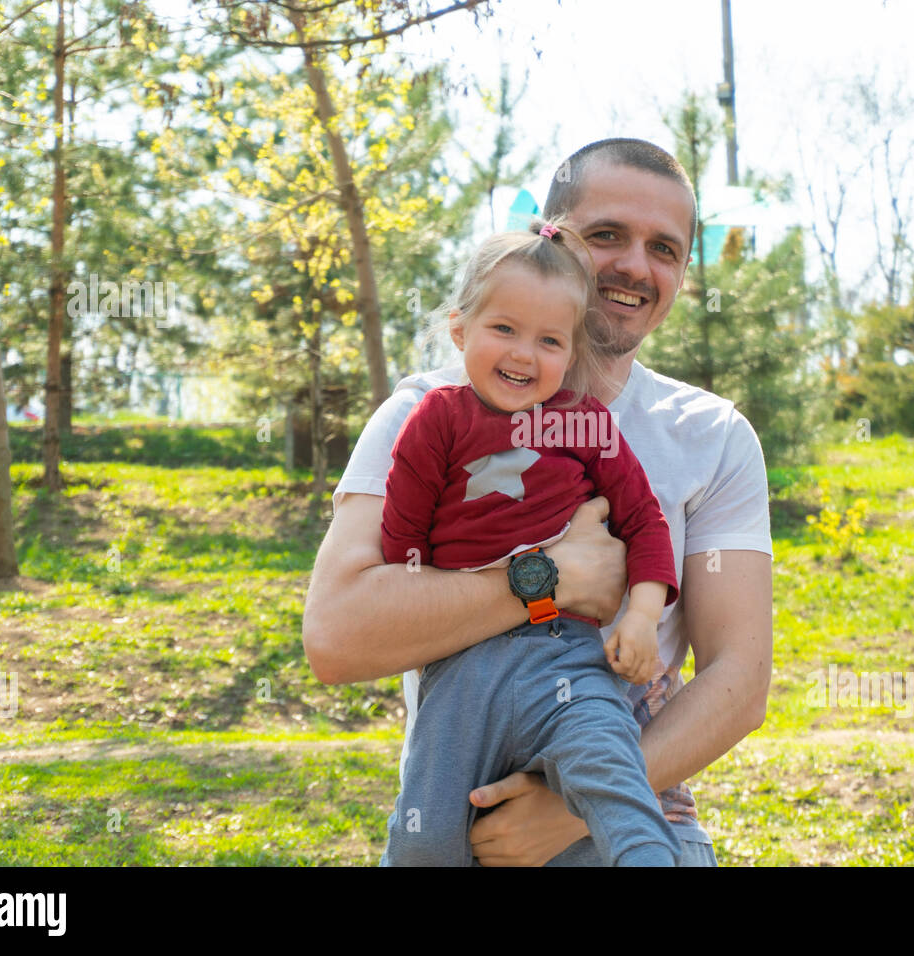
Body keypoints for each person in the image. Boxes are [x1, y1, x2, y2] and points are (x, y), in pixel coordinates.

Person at [304, 138, 774, 867]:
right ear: (549, 240)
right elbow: (338, 635)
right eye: (607, 235)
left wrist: (568, 807)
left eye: (665, 249)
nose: (635, 267)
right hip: (467, 809)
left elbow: (738, 682)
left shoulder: (713, 438)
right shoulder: (422, 414)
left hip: (637, 813)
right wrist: (548, 579)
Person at [380, 220, 683, 866]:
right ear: (460, 330)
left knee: (617, 784)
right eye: (504, 330)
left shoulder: (586, 424)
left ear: (571, 355)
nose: (524, 354)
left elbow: (645, 524)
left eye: (549, 340)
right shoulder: (435, 419)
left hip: (568, 661)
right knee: (426, 838)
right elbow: (401, 552)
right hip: (460, 666)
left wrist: (643, 615)